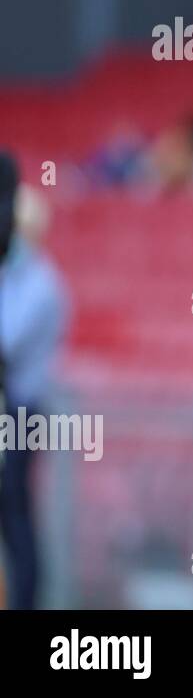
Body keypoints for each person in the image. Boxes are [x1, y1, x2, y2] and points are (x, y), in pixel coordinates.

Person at [0, 183, 70, 610]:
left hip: (22, 411)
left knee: (15, 513)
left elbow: (6, 341)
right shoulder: (17, 278)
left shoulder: (42, 283)